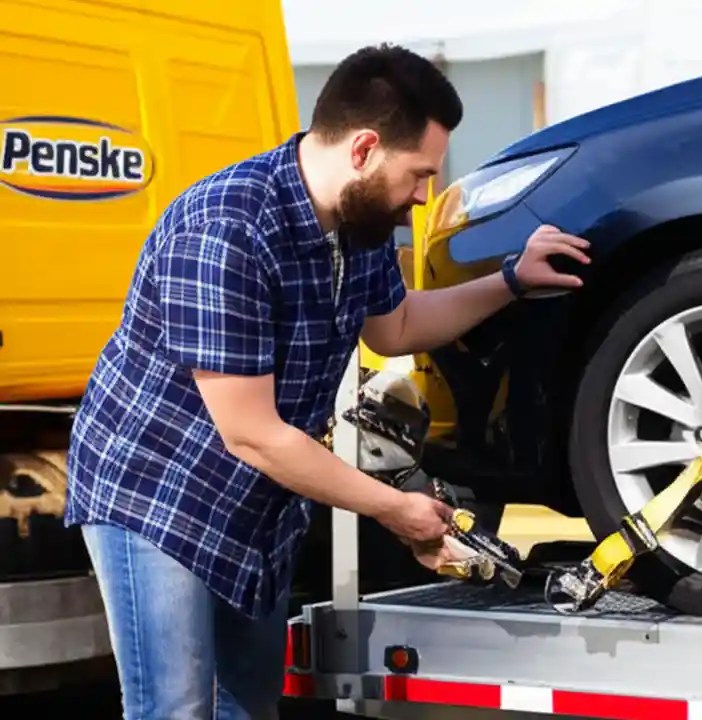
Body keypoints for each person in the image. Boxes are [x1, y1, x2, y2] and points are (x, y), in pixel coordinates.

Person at [62, 43, 589, 719]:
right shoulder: (228, 229)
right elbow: (250, 432)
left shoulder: (357, 225)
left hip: (258, 502)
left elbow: (394, 328)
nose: (424, 195)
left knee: (249, 706)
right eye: (420, 174)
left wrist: (512, 280)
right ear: (365, 148)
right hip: (158, 495)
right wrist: (392, 508)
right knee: (176, 708)